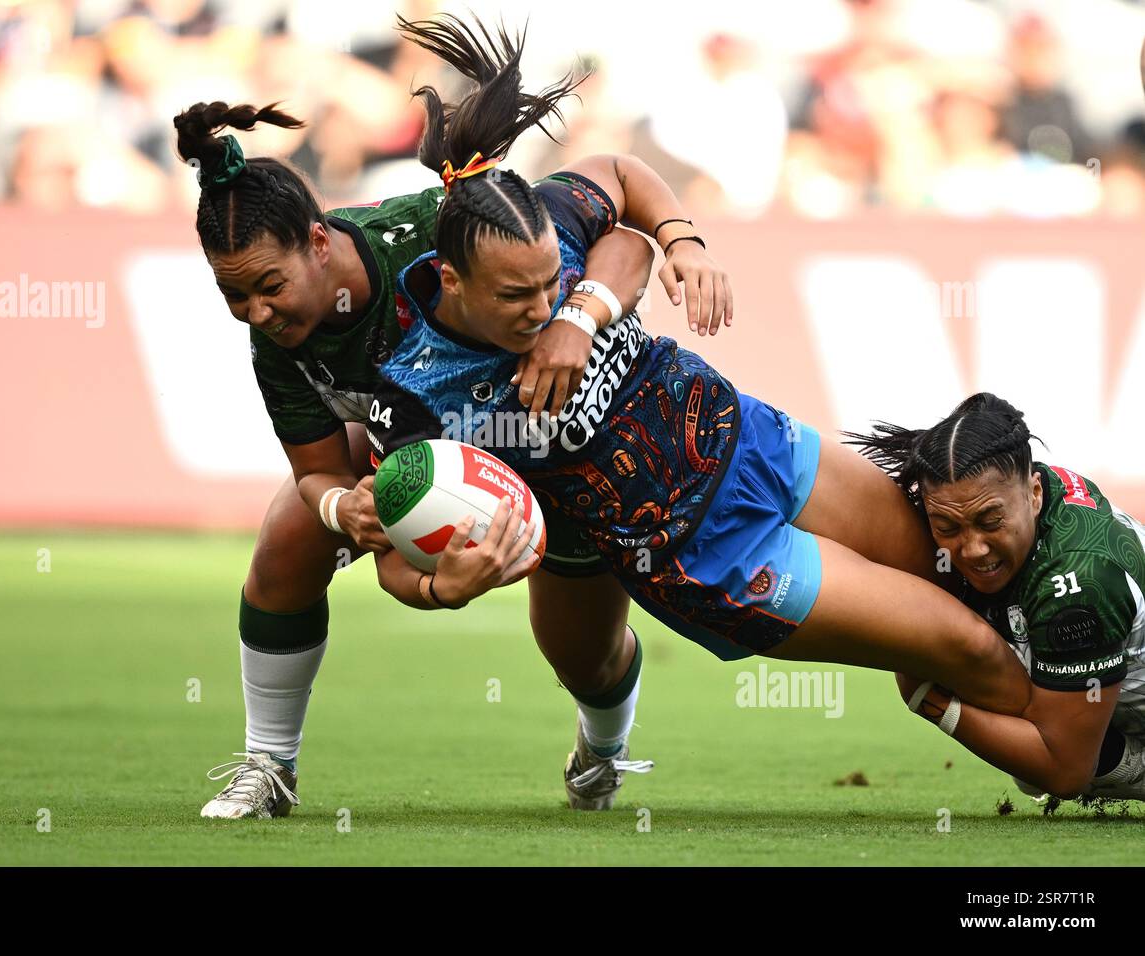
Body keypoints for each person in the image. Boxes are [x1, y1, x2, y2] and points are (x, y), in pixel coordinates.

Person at [365, 44, 1041, 732]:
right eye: (518, 296)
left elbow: (625, 198)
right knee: (965, 646)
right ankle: (1091, 753)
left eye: (549, 283)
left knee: (957, 568)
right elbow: (390, 549)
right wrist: (434, 588)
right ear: (451, 280)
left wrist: (657, 260)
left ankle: (1107, 685)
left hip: (752, 439)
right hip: (705, 555)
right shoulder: (420, 393)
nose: (541, 305)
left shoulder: (540, 227)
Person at [174, 13, 734, 818]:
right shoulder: (281, 346)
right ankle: (269, 768)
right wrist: (349, 511)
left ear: (321, 242)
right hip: (430, 444)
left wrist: (627, 277)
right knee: (290, 538)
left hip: (560, 438)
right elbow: (317, 474)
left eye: (268, 284)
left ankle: (602, 752)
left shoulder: (440, 225)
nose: (256, 311)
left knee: (585, 654)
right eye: (233, 295)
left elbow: (616, 211)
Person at [850, 394, 1145, 802]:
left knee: (1036, 764)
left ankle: (1127, 759)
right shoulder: (1009, 481)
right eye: (947, 527)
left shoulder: (1079, 583)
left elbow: (1064, 775)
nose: (972, 549)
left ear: (1035, 493)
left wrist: (932, 702)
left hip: (1098, 708)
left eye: (990, 522)